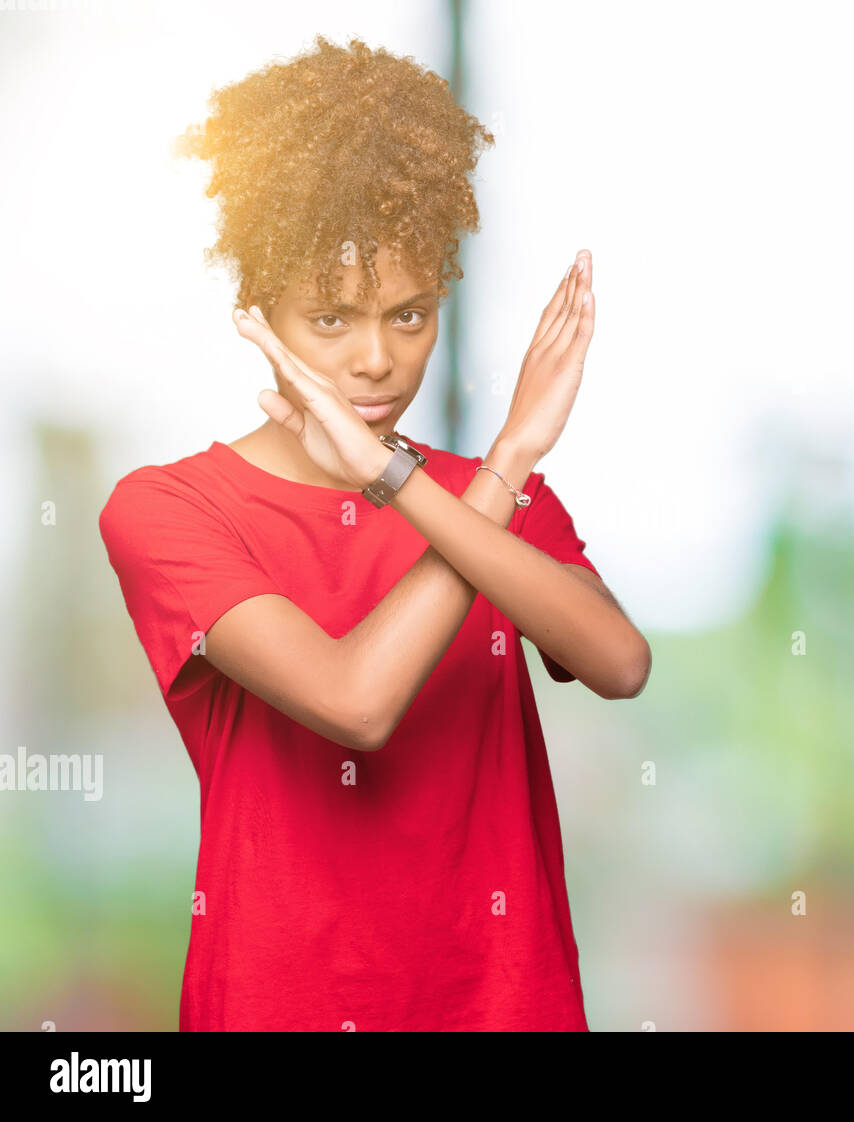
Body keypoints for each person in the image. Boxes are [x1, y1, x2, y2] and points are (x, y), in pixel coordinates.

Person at [97, 35, 650, 1032]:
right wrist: (470, 474)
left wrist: (492, 467)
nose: (375, 359)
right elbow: (356, 703)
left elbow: (618, 663)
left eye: (408, 314)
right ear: (256, 311)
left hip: (499, 1006)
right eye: (330, 318)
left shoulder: (486, 490)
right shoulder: (168, 509)